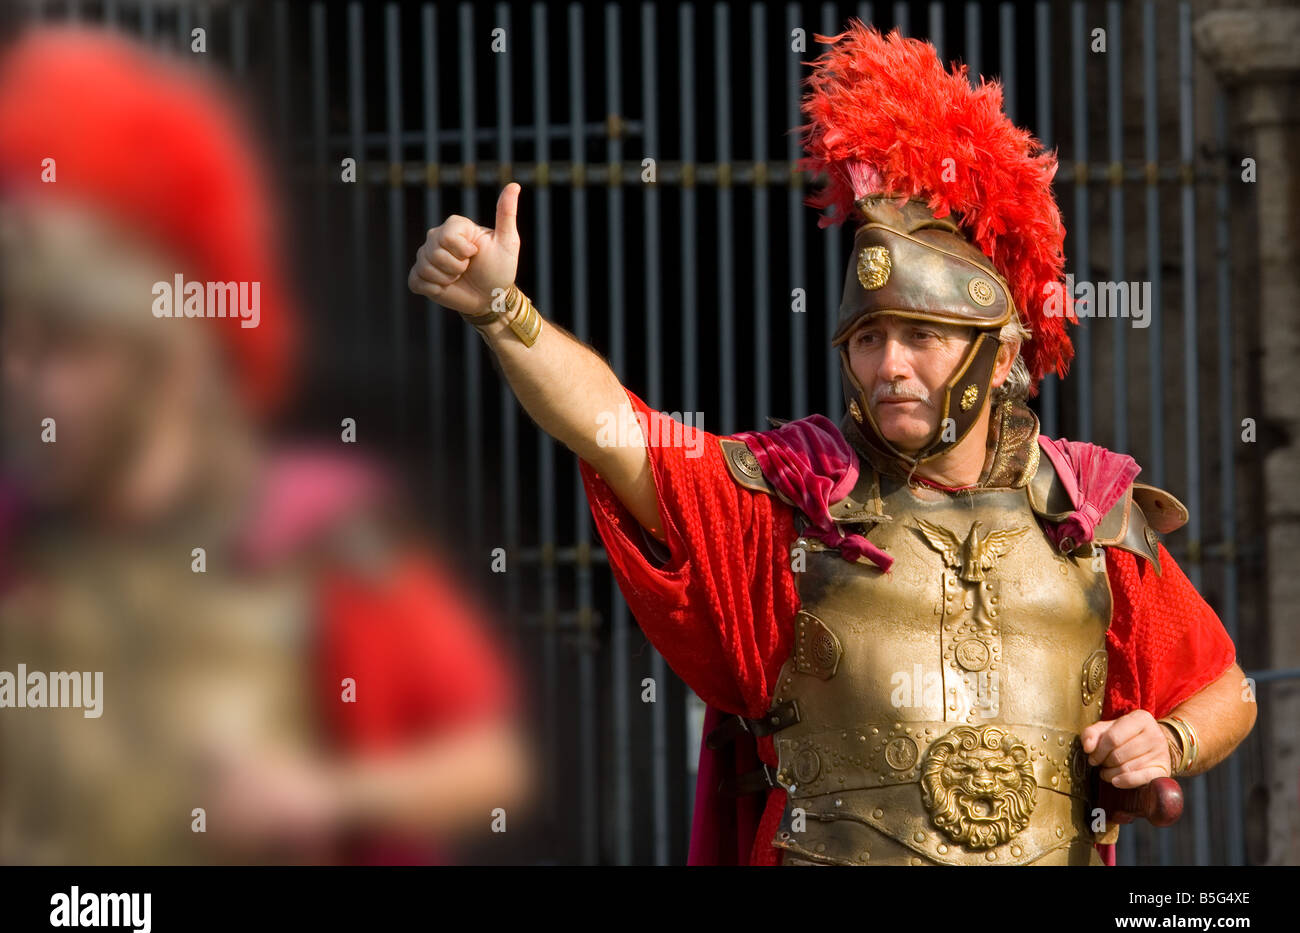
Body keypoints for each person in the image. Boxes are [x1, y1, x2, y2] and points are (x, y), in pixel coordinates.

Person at [409, 22, 1255, 865]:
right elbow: (615, 430)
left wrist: (1168, 741)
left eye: (920, 336)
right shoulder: (788, 507)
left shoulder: (1087, 517)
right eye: (866, 339)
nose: (889, 366)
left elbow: (1228, 690)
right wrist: (501, 312)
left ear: (1002, 357)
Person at [0, 24, 531, 865]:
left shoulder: (319, 530)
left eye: (62, 346)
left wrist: (325, 793)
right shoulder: (18, 532)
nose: (23, 378)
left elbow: (489, 761)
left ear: (163, 357)